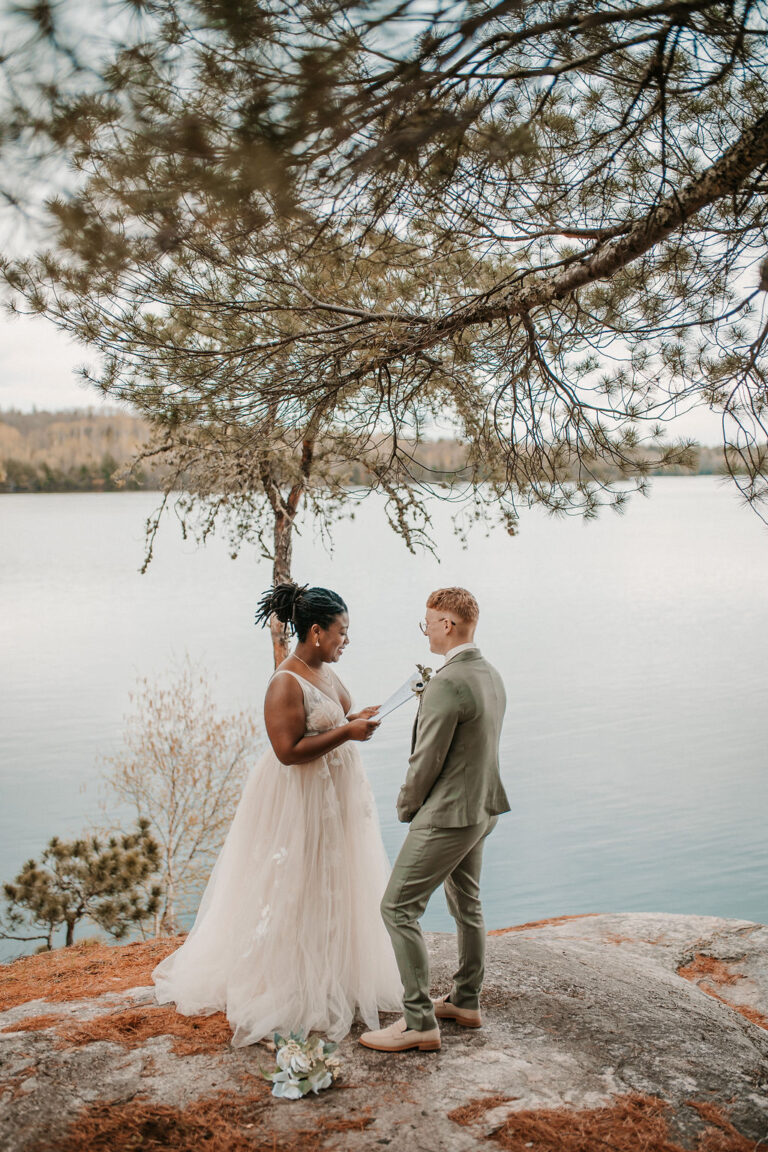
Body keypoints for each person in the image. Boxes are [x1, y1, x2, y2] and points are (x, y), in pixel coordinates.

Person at [152, 582, 402, 1045]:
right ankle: (291, 981)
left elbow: (333, 716)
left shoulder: (322, 667)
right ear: (315, 630)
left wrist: (355, 719)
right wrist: (347, 735)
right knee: (298, 883)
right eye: (341, 632)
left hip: (334, 798)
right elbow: (287, 751)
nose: (346, 640)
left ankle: (335, 974)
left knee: (337, 880)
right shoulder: (285, 681)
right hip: (301, 800)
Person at [359, 586, 509, 1054]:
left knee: (397, 908)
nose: (424, 629)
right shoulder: (490, 673)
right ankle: (465, 1000)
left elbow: (427, 759)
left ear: (446, 625)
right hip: (482, 809)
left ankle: (419, 1021)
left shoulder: (447, 683)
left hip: (446, 815)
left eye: (427, 621)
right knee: (468, 905)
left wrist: (407, 805)